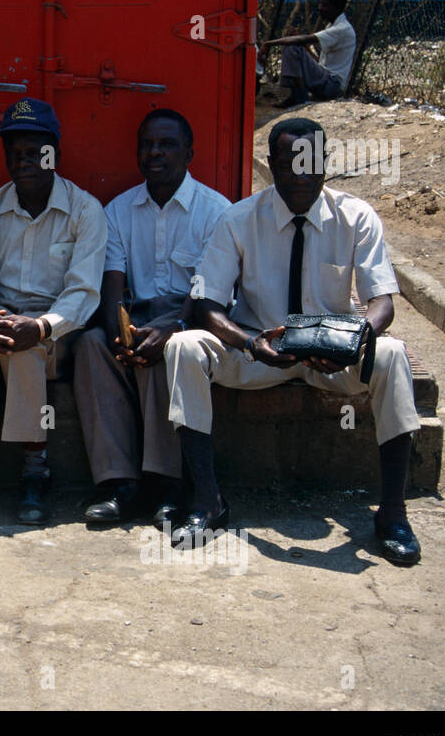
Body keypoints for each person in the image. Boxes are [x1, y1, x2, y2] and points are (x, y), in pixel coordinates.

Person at [163, 117, 422, 565]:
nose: (301, 172)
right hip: (260, 350)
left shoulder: (356, 216)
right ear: (271, 165)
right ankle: (208, 501)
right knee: (183, 347)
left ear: (326, 165)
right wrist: (249, 344)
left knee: (394, 355)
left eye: (311, 161)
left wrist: (357, 339)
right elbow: (207, 306)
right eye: (289, 162)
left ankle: (393, 514)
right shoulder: (239, 218)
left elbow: (382, 302)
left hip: (333, 353)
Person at [0, 98, 105, 526]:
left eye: (34, 151)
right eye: (13, 151)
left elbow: (84, 294)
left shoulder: (85, 210)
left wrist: (41, 326)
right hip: (1, 318)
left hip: (59, 330)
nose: (23, 160)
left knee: (28, 346)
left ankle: (36, 471)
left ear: (54, 153)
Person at [72, 109, 231, 525]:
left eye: (167, 145)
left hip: (194, 320)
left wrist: (175, 326)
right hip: (136, 317)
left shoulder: (217, 212)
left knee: (171, 348)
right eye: (147, 144)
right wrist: (118, 332)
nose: (154, 153)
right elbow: (112, 283)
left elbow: (211, 291)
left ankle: (167, 485)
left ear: (189, 153)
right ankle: (119, 483)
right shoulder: (119, 210)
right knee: (90, 345)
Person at [261, 0, 355, 108]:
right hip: (327, 81)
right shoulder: (332, 25)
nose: (320, 8)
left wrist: (268, 44)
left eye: (325, 5)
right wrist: (304, 48)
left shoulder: (342, 28)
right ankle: (297, 96)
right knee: (294, 45)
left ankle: (300, 98)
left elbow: (303, 40)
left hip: (332, 85)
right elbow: (318, 62)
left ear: (337, 8)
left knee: (291, 46)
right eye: (320, 4)